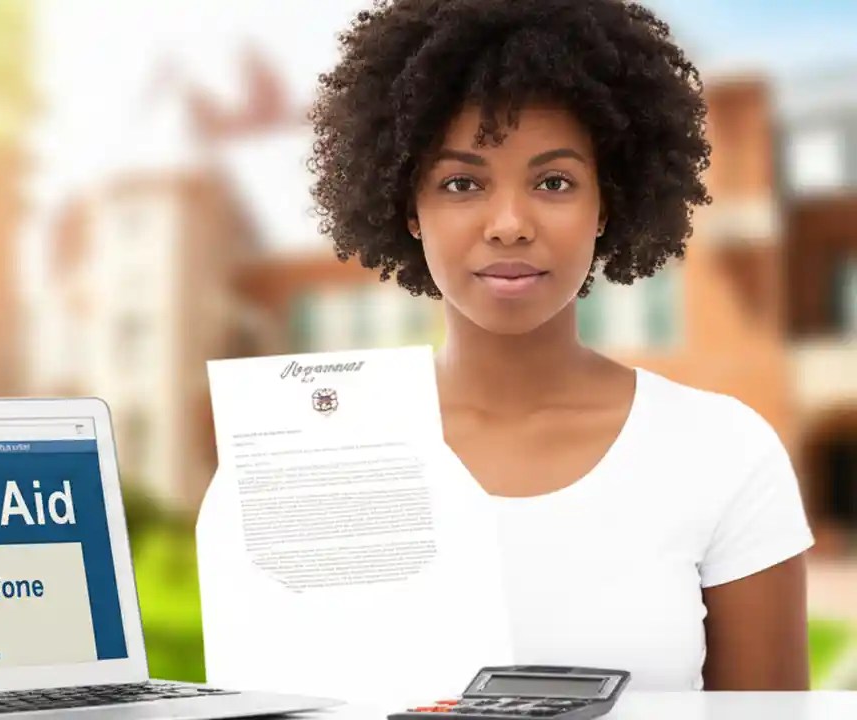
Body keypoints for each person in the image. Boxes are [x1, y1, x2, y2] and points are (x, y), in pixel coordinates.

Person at [307, 0, 814, 691]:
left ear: (606, 204)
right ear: (408, 208)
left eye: (554, 181)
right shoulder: (322, 456)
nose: (510, 223)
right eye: (462, 183)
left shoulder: (725, 452)